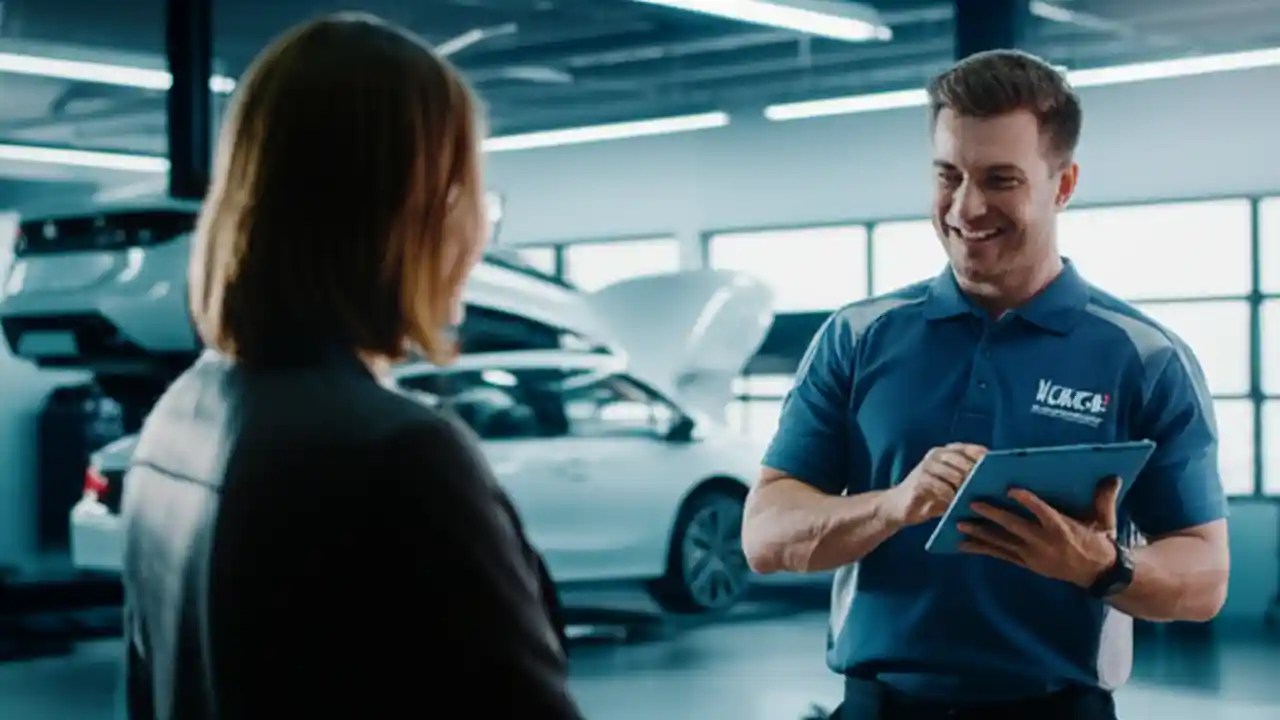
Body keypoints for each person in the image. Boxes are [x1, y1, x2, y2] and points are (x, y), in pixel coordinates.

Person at [741, 49, 1231, 720]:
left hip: (1058, 707)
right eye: (948, 176)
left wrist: (1099, 564)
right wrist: (894, 506)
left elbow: (1205, 579)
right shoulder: (858, 337)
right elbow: (766, 536)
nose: (967, 209)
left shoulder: (1145, 358)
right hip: (879, 705)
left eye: (1001, 180)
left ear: (1063, 185)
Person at [119, 13, 584, 720]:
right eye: (463, 192)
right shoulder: (396, 454)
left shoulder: (182, 413)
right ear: (401, 213)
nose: (478, 230)